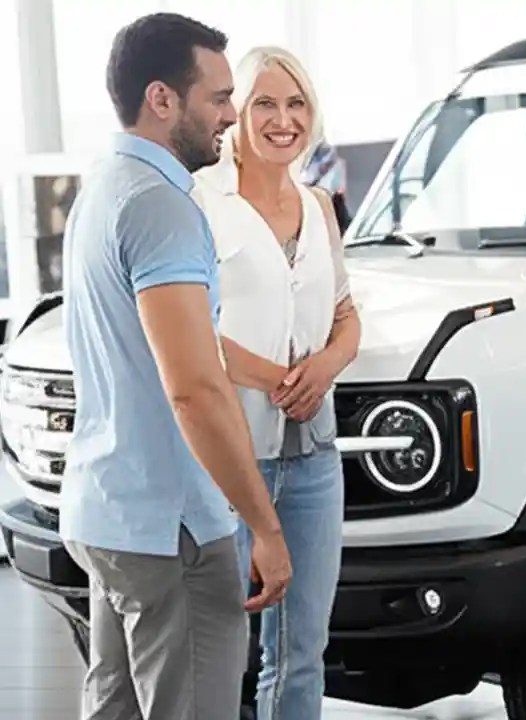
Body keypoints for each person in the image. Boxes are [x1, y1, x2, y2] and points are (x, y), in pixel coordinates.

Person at [60, 13, 292, 720]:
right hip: (175, 530)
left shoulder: (105, 188)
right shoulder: (162, 208)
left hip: (109, 515)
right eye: (219, 98)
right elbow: (193, 389)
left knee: (117, 709)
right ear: (162, 99)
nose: (230, 116)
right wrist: (266, 529)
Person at [190, 46, 361, 720]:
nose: (282, 119)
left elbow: (346, 315)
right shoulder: (204, 201)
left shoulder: (319, 205)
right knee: (220, 654)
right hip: (232, 458)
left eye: (295, 105)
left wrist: (327, 365)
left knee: (301, 655)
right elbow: (189, 332)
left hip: (315, 458)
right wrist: (282, 378)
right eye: (264, 102)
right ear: (237, 113)